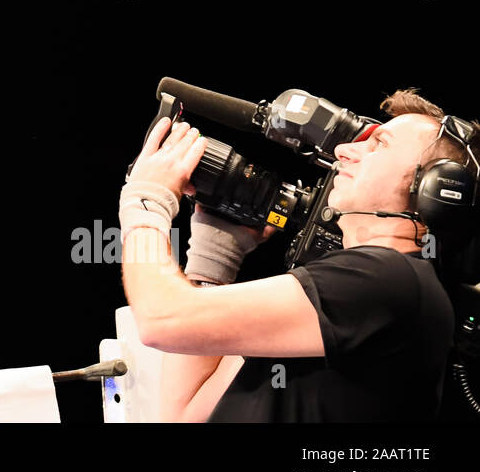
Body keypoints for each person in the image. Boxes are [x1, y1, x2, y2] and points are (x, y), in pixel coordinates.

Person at [120, 88, 468, 422]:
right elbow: (185, 414)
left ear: (432, 188)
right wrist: (214, 257)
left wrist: (147, 201)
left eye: (379, 146)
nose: (345, 150)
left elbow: (159, 321)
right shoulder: (359, 292)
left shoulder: (392, 280)